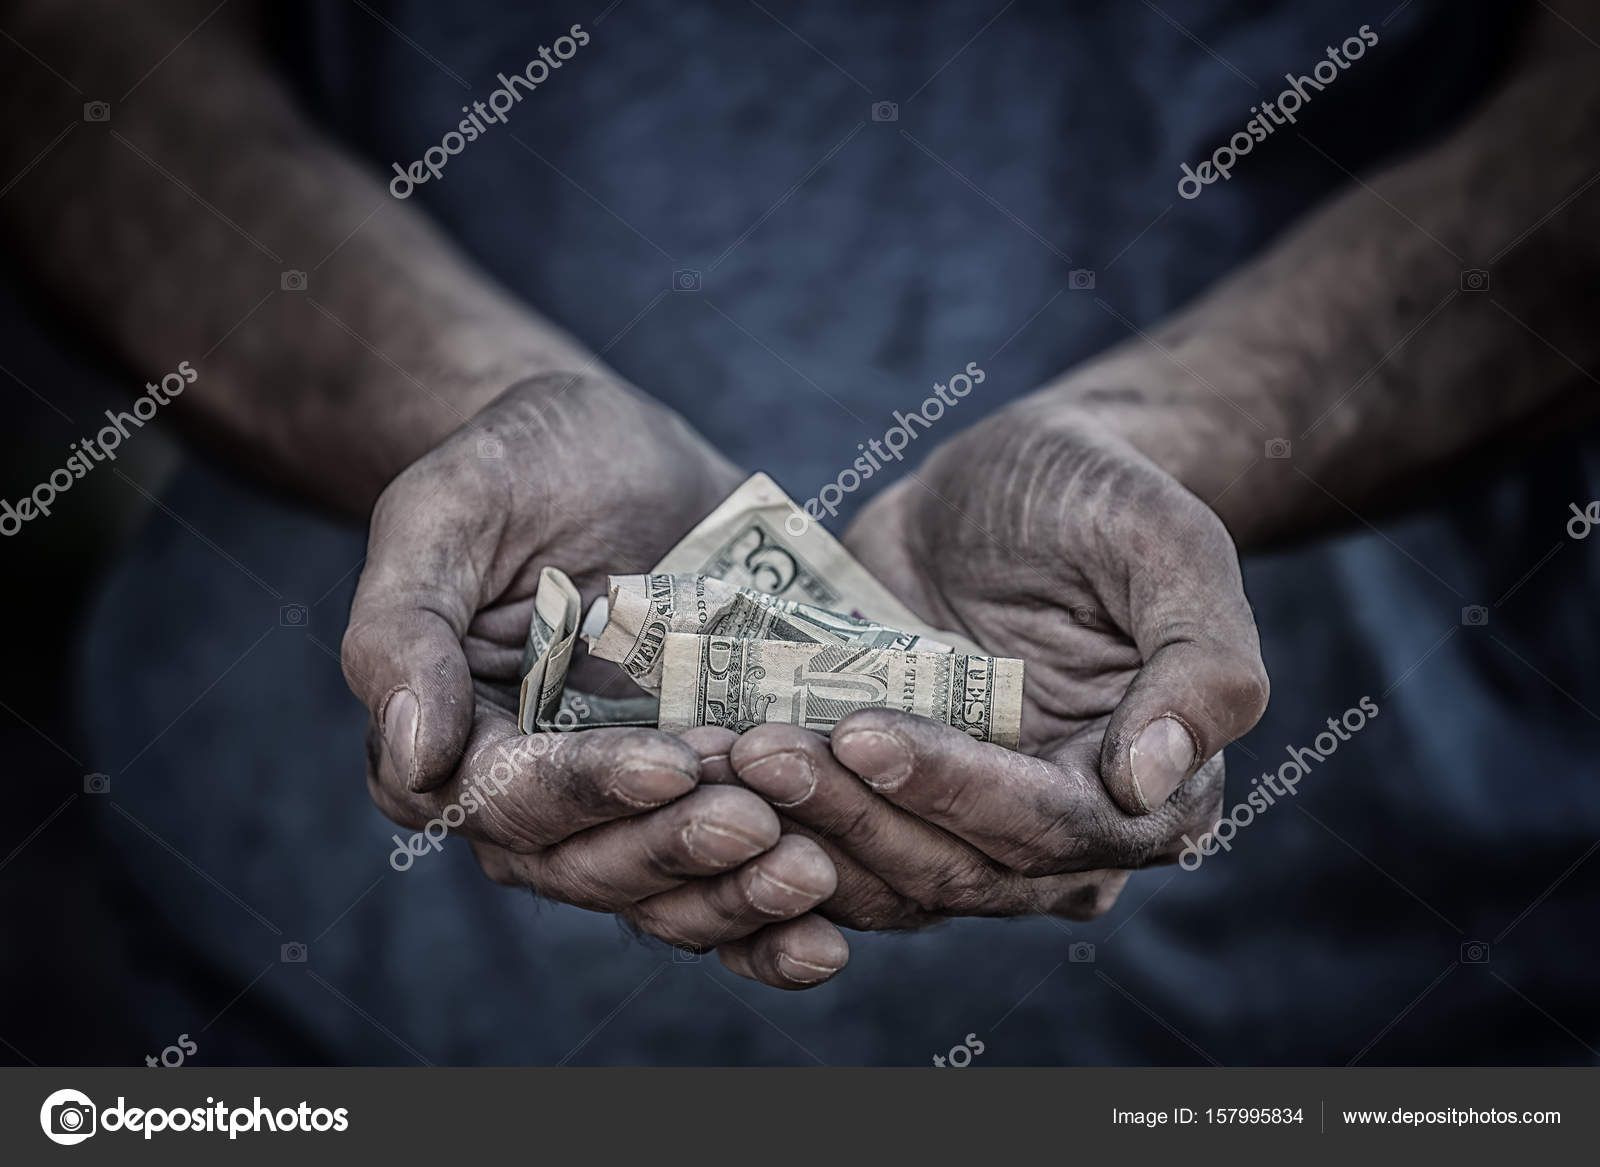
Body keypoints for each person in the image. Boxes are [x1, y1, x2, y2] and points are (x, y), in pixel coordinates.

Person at [3, 0, 1596, 1062]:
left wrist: (1164, 447)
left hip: (1377, 1011)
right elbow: (72, 55)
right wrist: (459, 406)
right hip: (331, 1010)